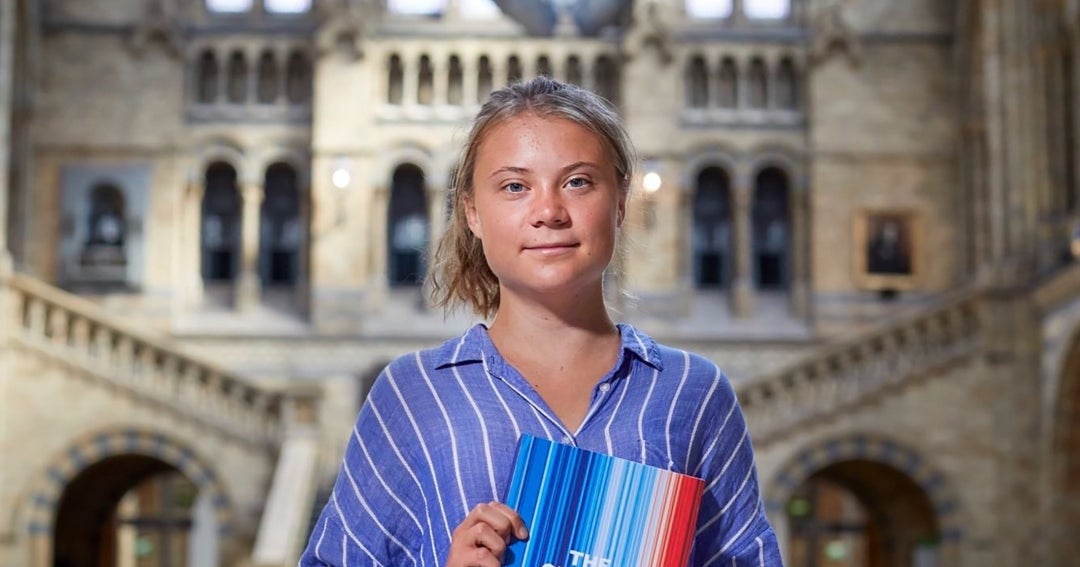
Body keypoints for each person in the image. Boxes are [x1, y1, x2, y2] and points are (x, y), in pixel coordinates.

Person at [298, 76, 782, 567]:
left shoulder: (695, 394)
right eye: (515, 186)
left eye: (577, 182)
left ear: (619, 202)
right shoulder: (412, 395)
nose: (548, 211)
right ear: (472, 213)